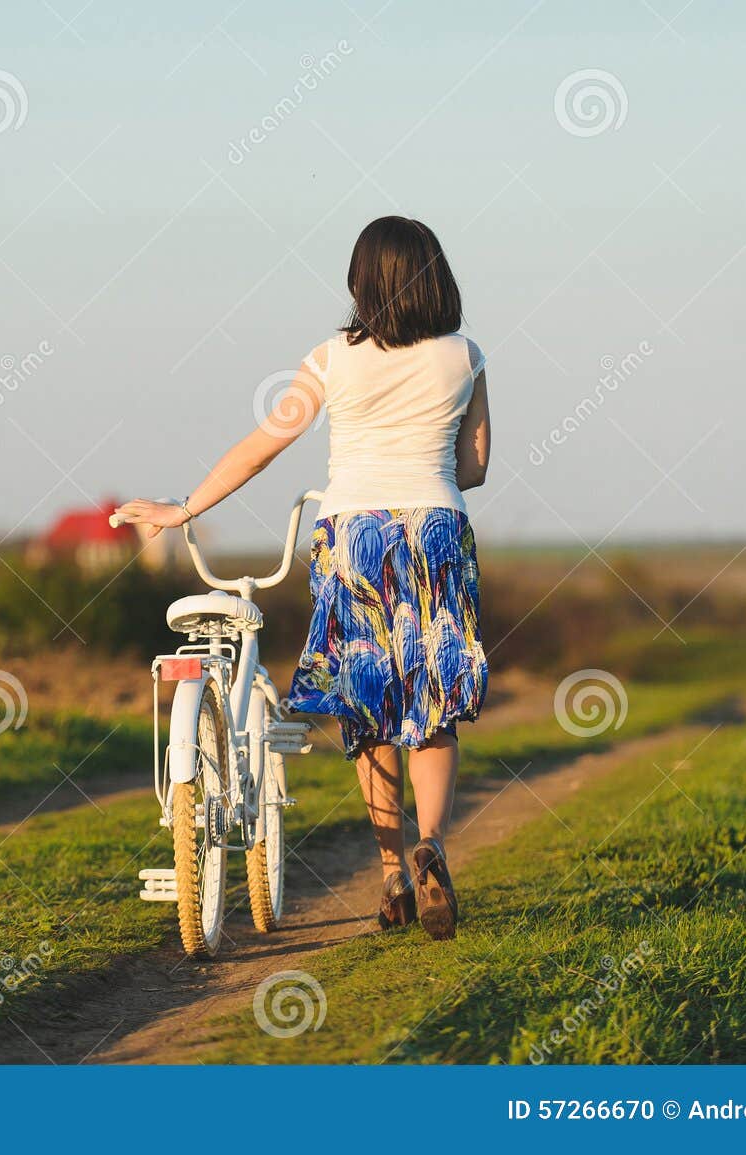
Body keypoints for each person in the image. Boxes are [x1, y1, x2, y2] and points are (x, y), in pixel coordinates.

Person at [115, 215, 491, 941]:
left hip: (353, 533)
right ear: (436, 275)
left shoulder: (329, 360)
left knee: (368, 708)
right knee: (432, 705)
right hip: (438, 527)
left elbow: (263, 444)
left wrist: (186, 505)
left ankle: (389, 872)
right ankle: (433, 847)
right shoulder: (465, 356)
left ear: (361, 282)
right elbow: (474, 465)